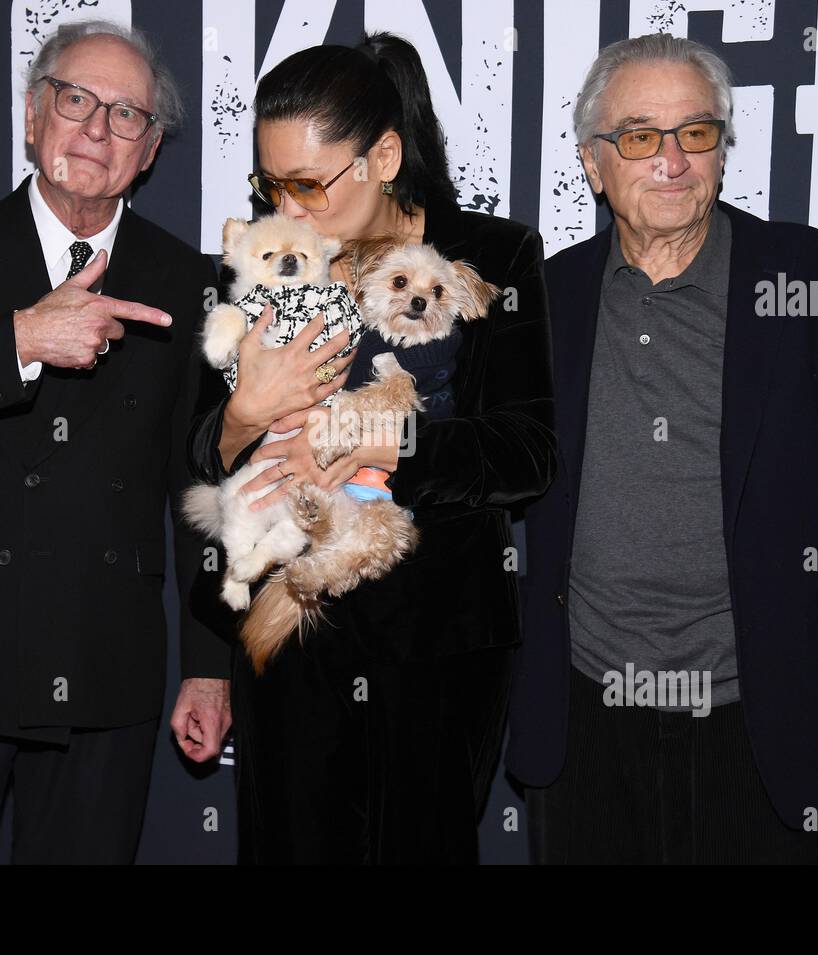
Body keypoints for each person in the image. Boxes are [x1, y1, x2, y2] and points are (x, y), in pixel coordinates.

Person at [508, 34, 818, 864]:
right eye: (639, 135)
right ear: (595, 164)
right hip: (584, 726)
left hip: (762, 723)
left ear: (721, 150)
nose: (671, 159)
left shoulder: (811, 282)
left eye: (695, 132)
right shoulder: (547, 300)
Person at [0, 20, 232, 864]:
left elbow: (198, 483)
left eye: (125, 114)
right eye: (76, 100)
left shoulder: (190, 282)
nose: (96, 128)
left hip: (104, 670)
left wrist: (209, 663)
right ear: (33, 115)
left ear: (151, 149)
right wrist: (18, 340)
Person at [188, 32, 557, 864]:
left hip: (437, 642)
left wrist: (387, 443)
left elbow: (526, 452)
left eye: (309, 183)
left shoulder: (491, 257)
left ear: (384, 155)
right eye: (272, 184)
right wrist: (244, 415)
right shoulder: (265, 262)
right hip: (290, 633)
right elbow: (202, 451)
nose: (290, 206)